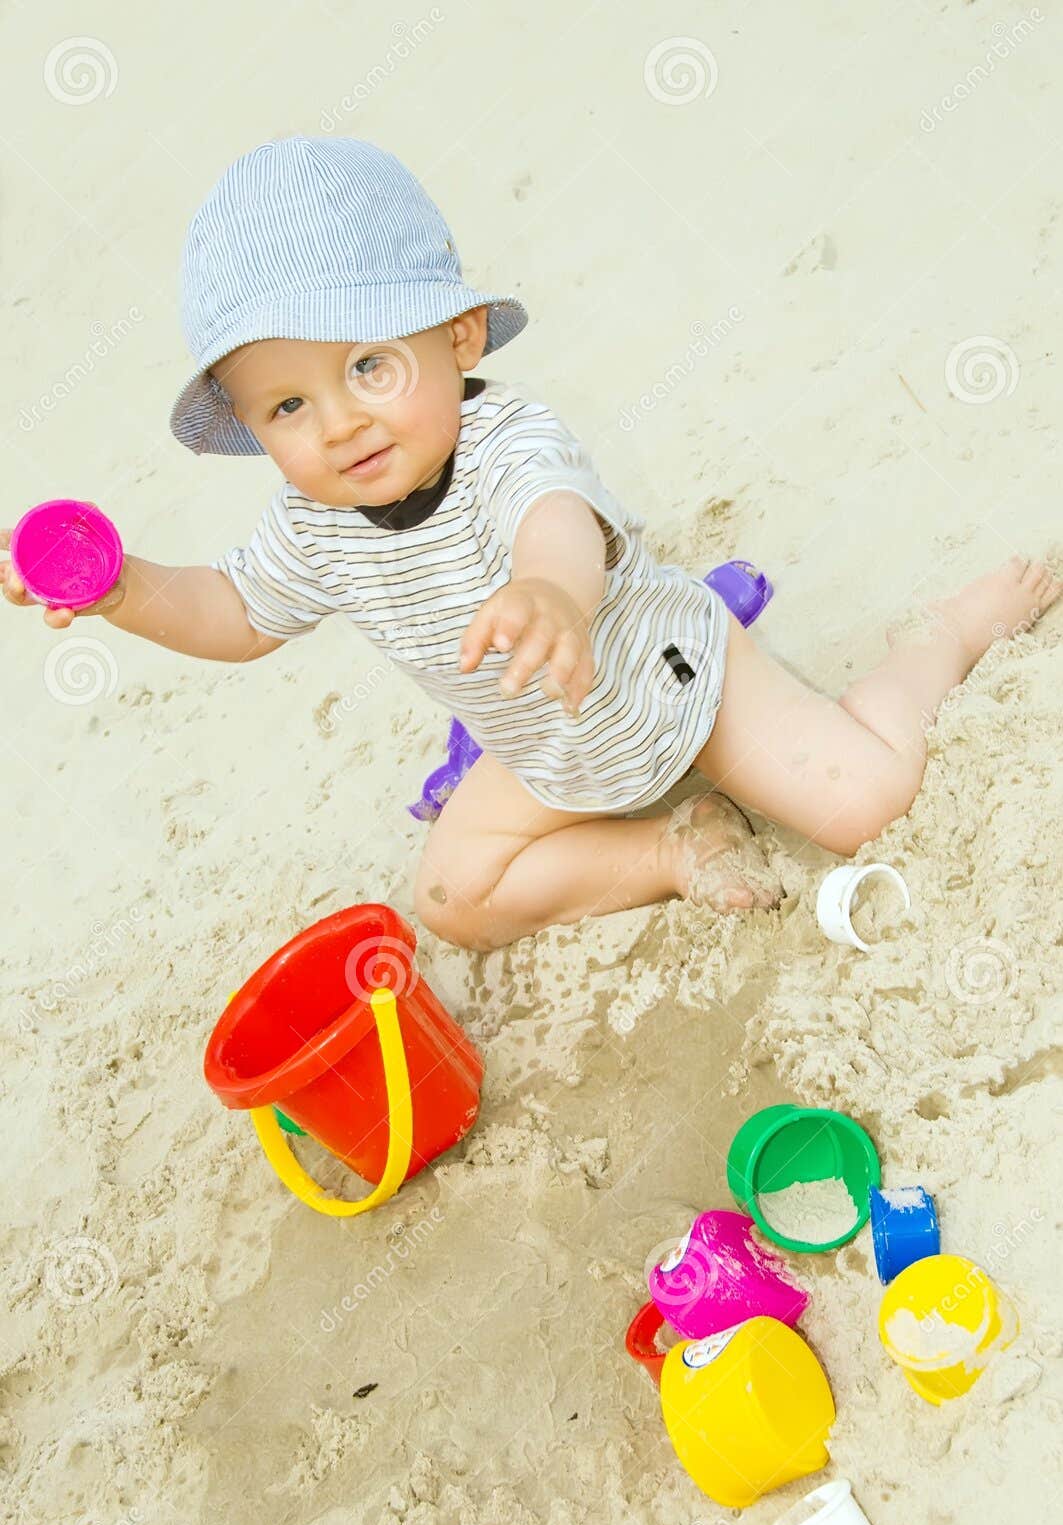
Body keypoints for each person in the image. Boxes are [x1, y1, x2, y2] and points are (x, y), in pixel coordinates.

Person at [3, 137, 1058, 953]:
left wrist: (551, 595)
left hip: (671, 682)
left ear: (456, 335)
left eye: (367, 366)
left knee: (864, 803)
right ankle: (672, 846)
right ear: (248, 424)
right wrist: (123, 590)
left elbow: (555, 522)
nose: (338, 423)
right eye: (287, 405)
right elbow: (235, 615)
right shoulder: (311, 523)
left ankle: (939, 640)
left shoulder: (507, 440)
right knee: (453, 899)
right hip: (546, 747)